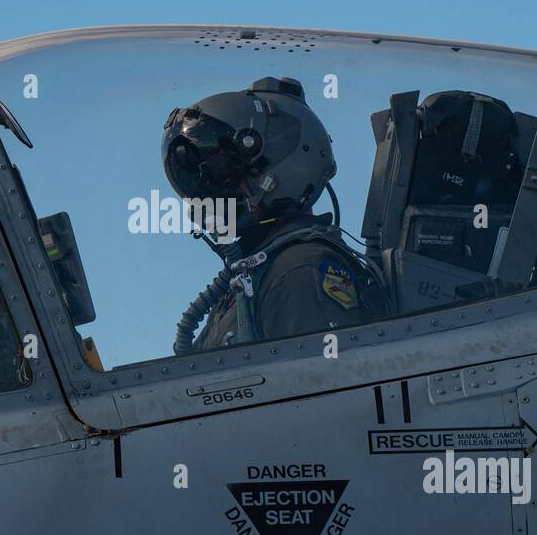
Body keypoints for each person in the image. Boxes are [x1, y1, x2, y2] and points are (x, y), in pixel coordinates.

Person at [162, 76, 388, 353]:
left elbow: (324, 386)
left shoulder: (299, 272)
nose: (209, 198)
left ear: (281, 172)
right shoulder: (251, 278)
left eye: (223, 175)